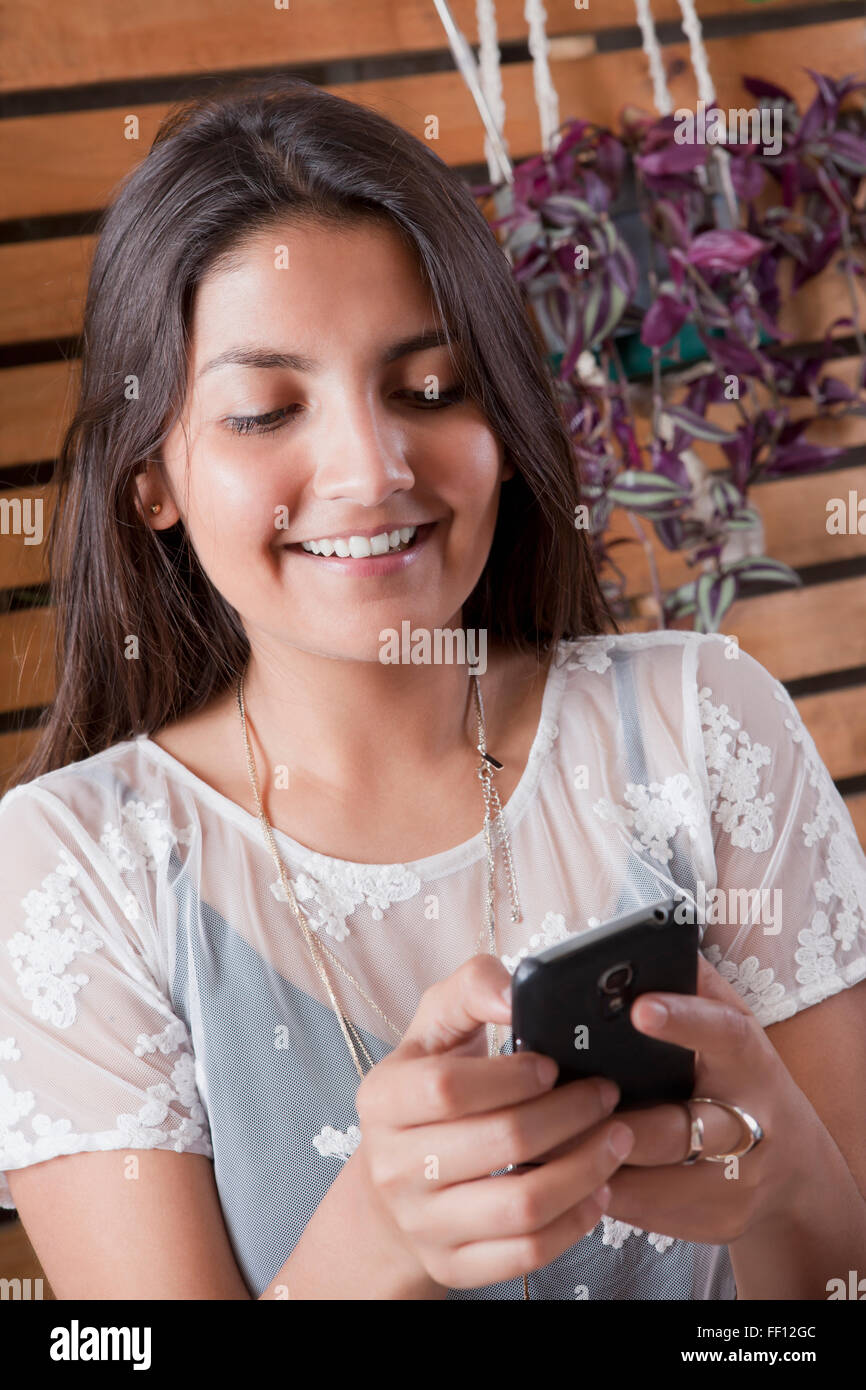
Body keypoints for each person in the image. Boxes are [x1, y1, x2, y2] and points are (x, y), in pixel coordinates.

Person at [1, 74, 865, 1303]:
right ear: (154, 481)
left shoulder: (703, 725)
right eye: (263, 411)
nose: (370, 467)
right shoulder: (71, 868)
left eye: (427, 389)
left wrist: (781, 1185)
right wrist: (375, 1250)